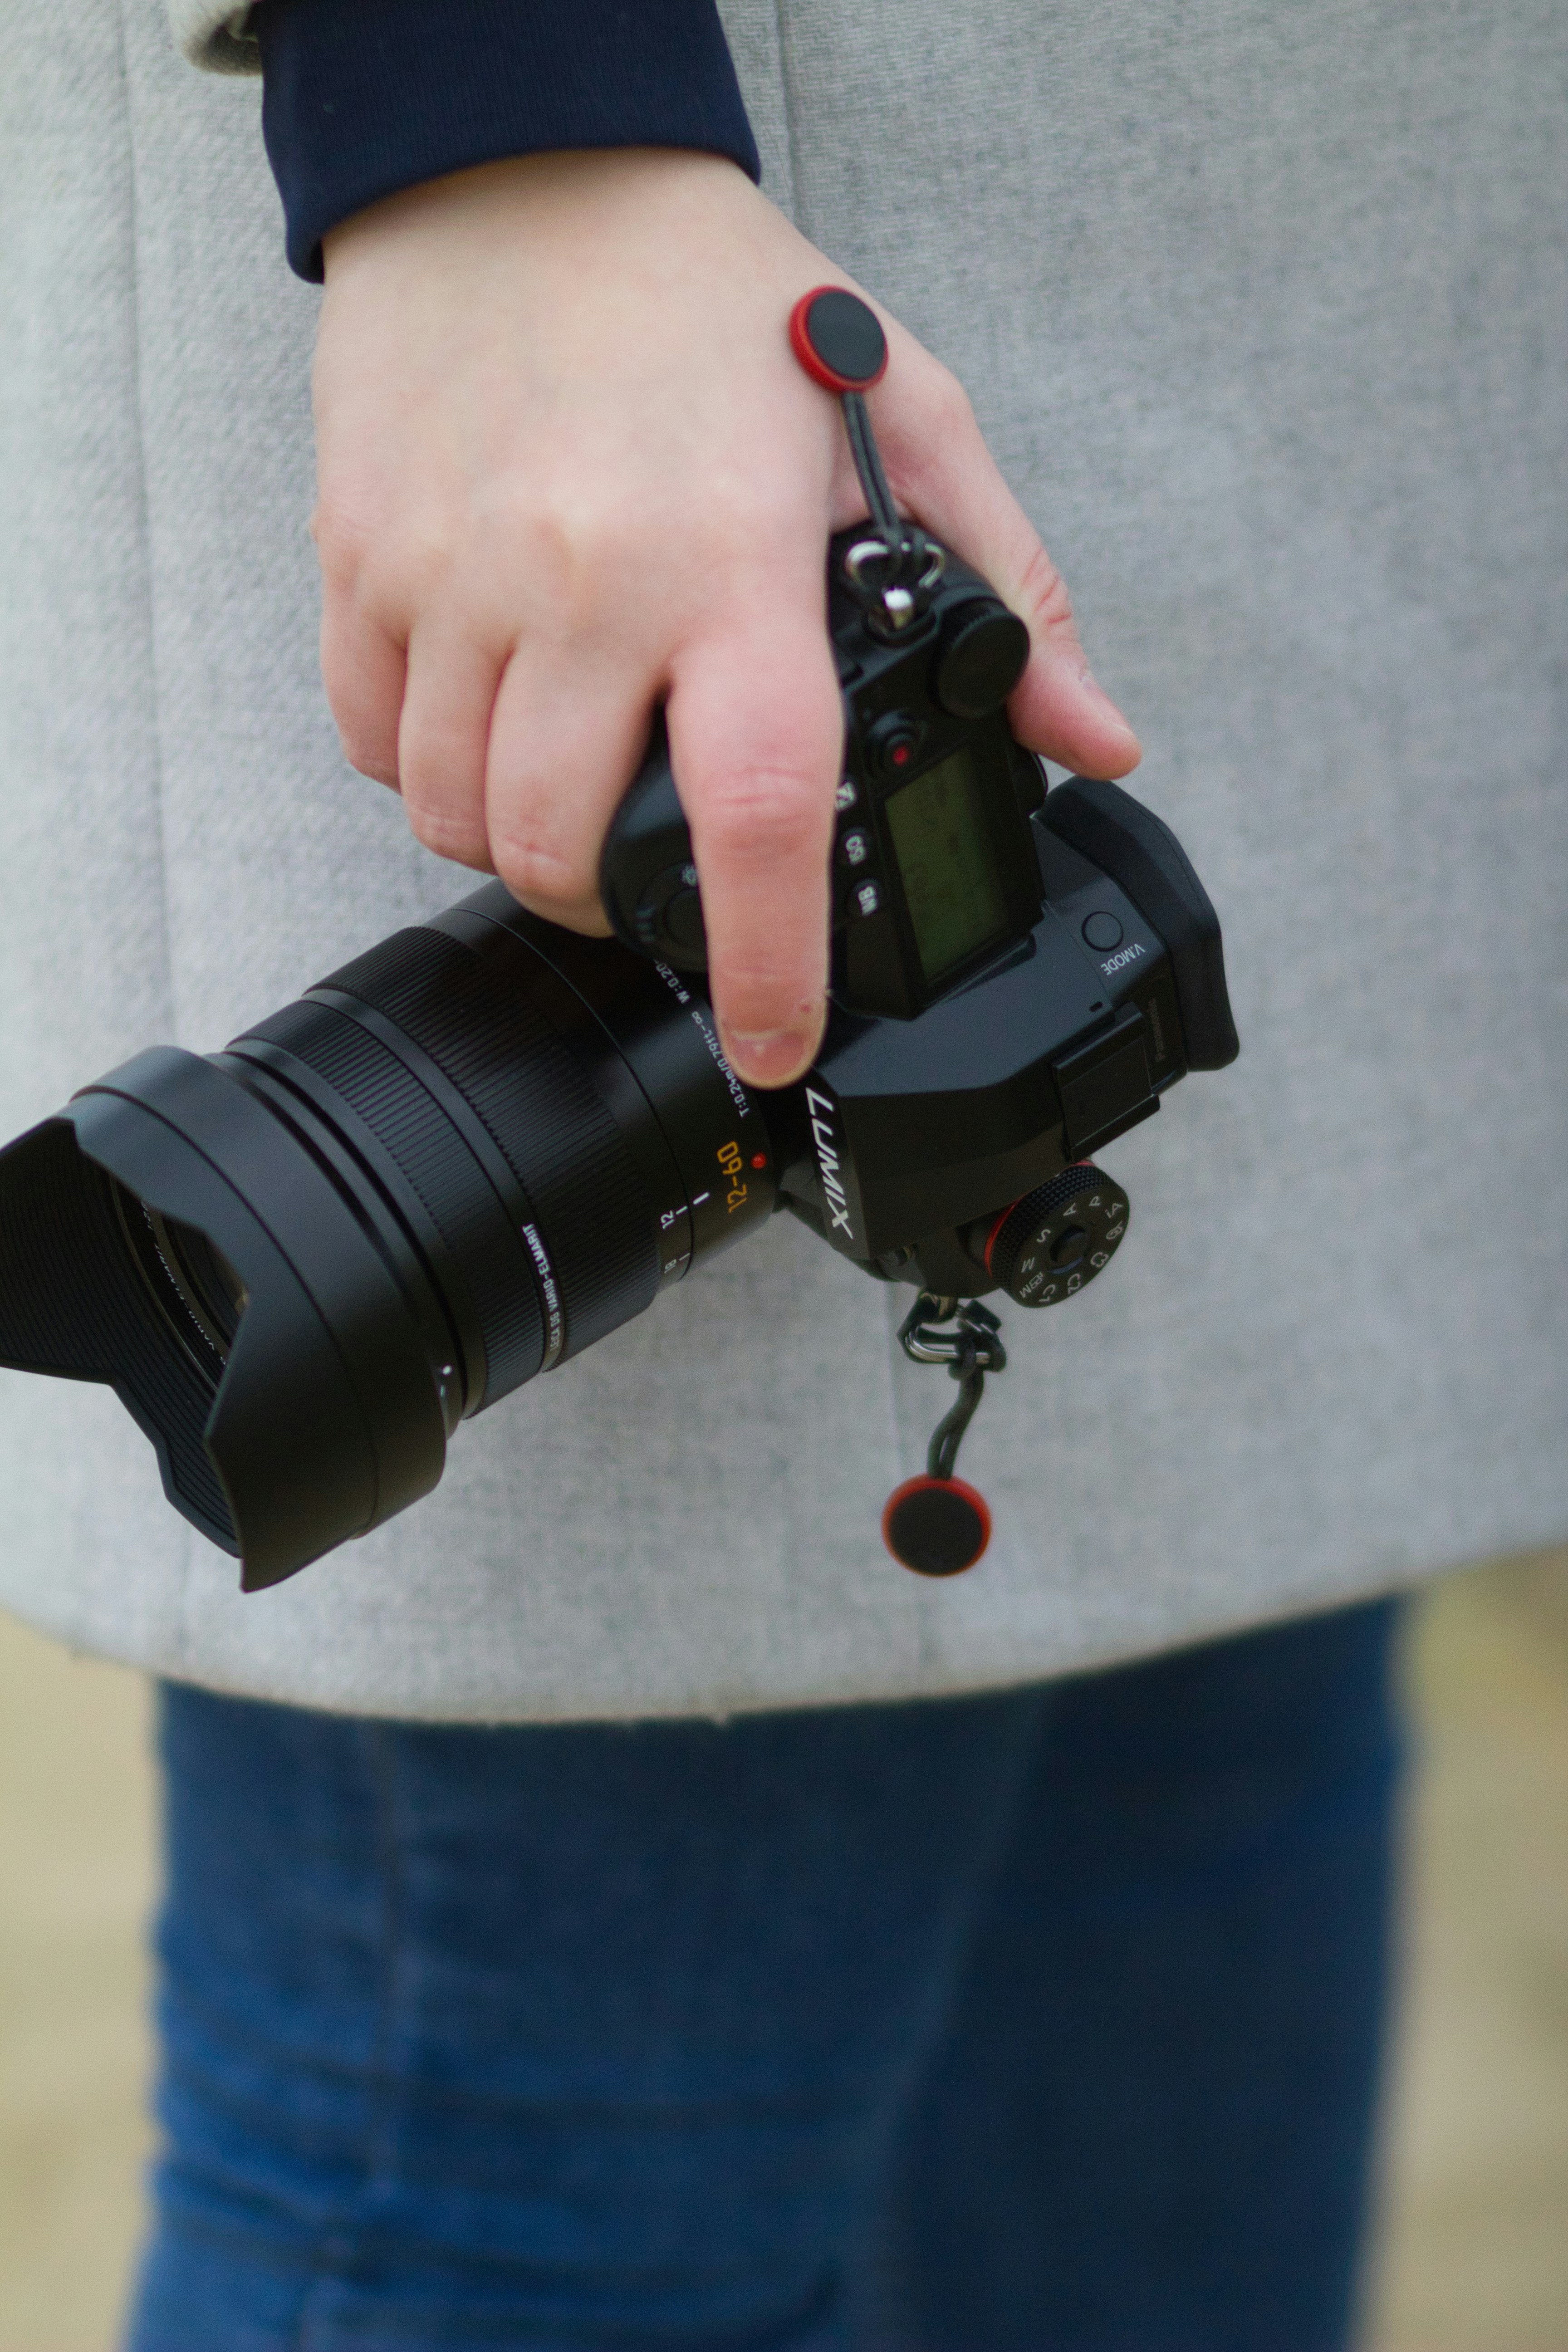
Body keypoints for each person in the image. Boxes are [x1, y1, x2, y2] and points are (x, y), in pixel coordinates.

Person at [0, 0, 1563, 2341]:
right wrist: (482, 94)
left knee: (1183, 1763)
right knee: (524, 2165)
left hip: (1287, 264)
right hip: (624, 304)